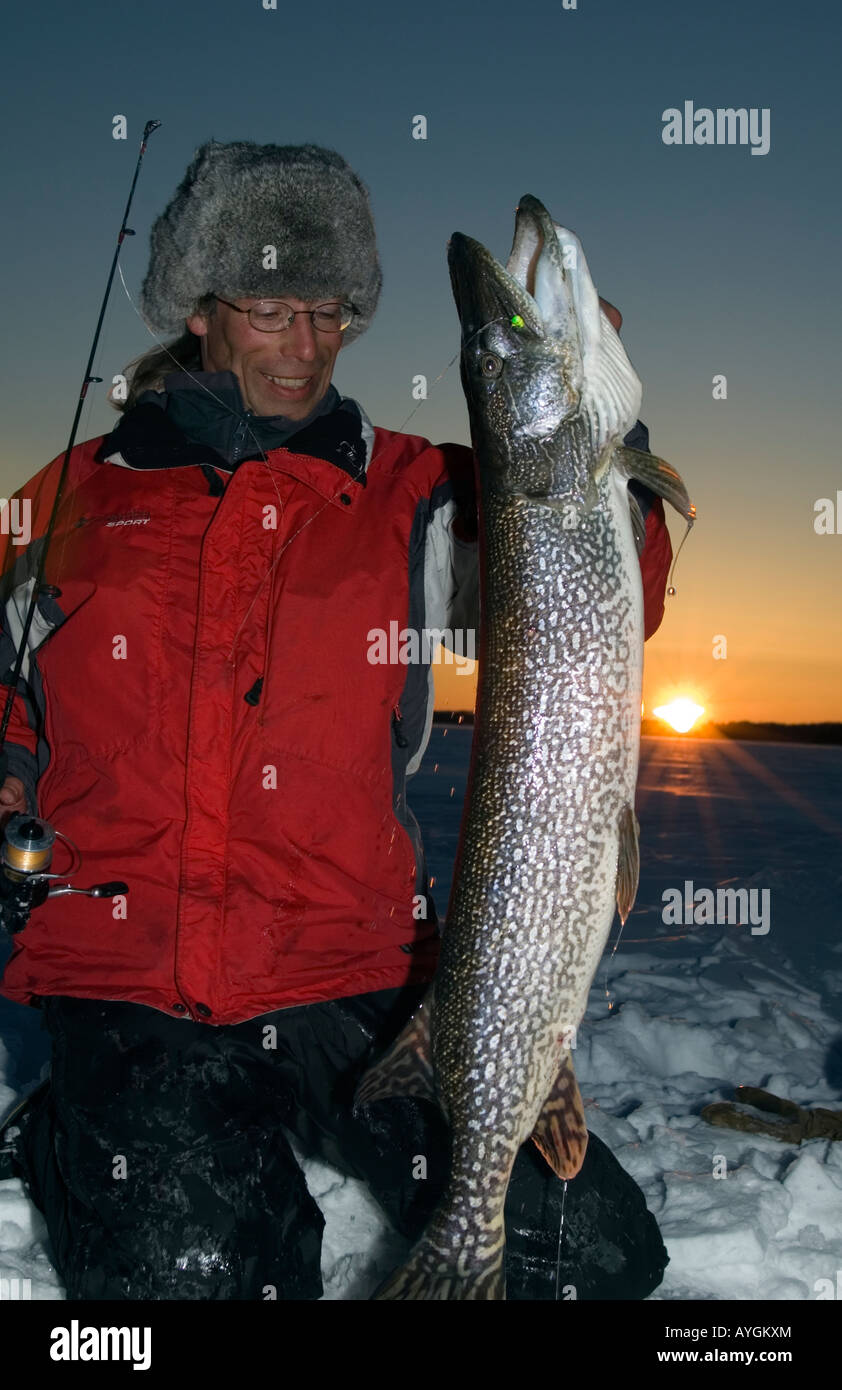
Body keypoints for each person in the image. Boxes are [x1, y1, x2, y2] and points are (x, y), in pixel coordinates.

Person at [0, 140, 672, 1300]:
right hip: (134, 979)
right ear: (201, 309)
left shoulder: (415, 493)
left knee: (586, 1256)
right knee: (207, 1281)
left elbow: (610, 593)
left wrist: (613, 455)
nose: (304, 348)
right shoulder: (66, 497)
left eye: (331, 312)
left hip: (353, 971)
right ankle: (75, 1133)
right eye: (270, 309)